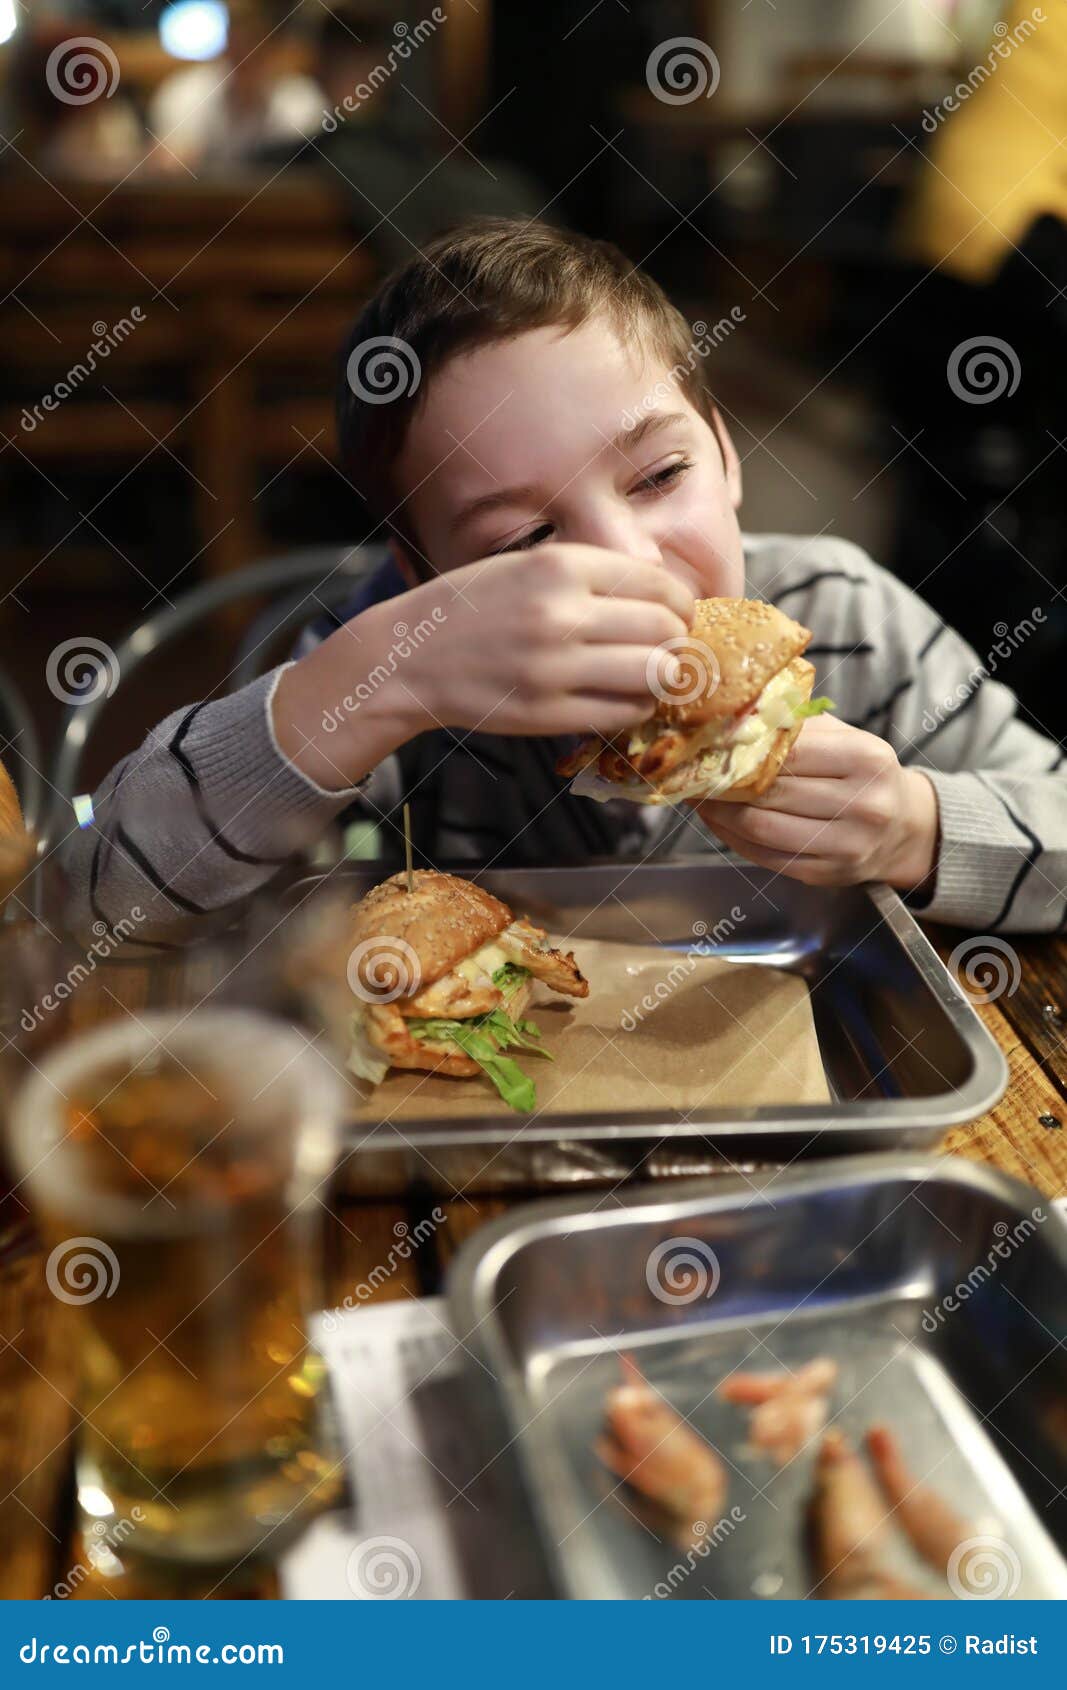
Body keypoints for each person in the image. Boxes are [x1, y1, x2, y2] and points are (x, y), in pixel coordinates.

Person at [66, 219, 1066, 942]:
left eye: (661, 474)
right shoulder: (393, 666)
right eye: (523, 538)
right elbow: (94, 908)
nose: (623, 562)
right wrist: (365, 682)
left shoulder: (843, 613)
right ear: (423, 574)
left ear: (724, 453)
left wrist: (918, 827)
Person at [145, 0, 322, 173]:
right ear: (226, 42)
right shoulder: (183, 95)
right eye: (237, 42)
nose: (245, 54)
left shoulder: (304, 105)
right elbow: (167, 170)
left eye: (255, 41)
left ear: (276, 47)